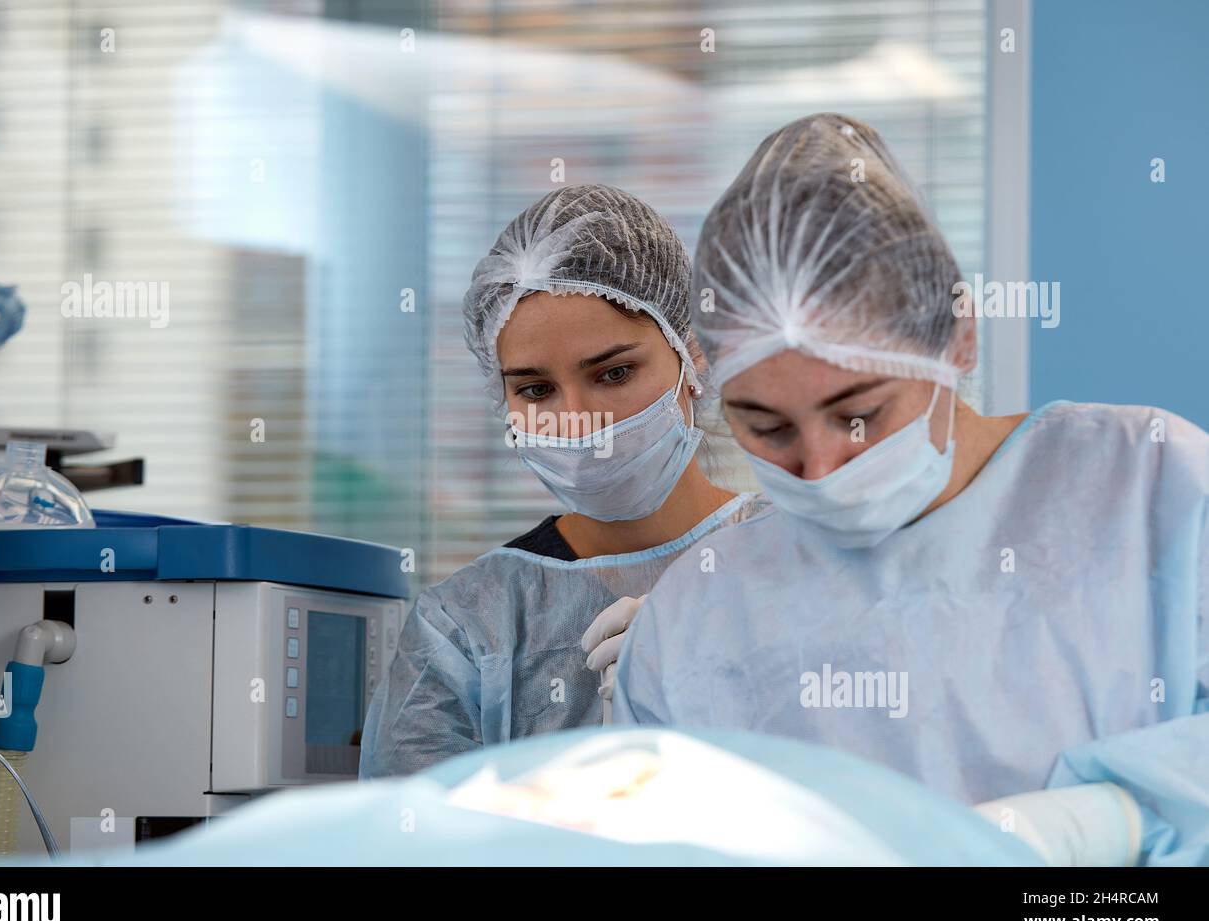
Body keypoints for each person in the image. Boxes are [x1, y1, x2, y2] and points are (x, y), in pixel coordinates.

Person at [611, 114, 1209, 865]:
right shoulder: (696, 618)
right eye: (766, 427)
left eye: (858, 415)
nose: (821, 467)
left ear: (959, 337)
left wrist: (1102, 826)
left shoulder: (1151, 486)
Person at [360, 184, 765, 778]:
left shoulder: (810, 567)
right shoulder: (465, 630)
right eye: (535, 389)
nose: (578, 421)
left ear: (692, 352)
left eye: (614, 372)